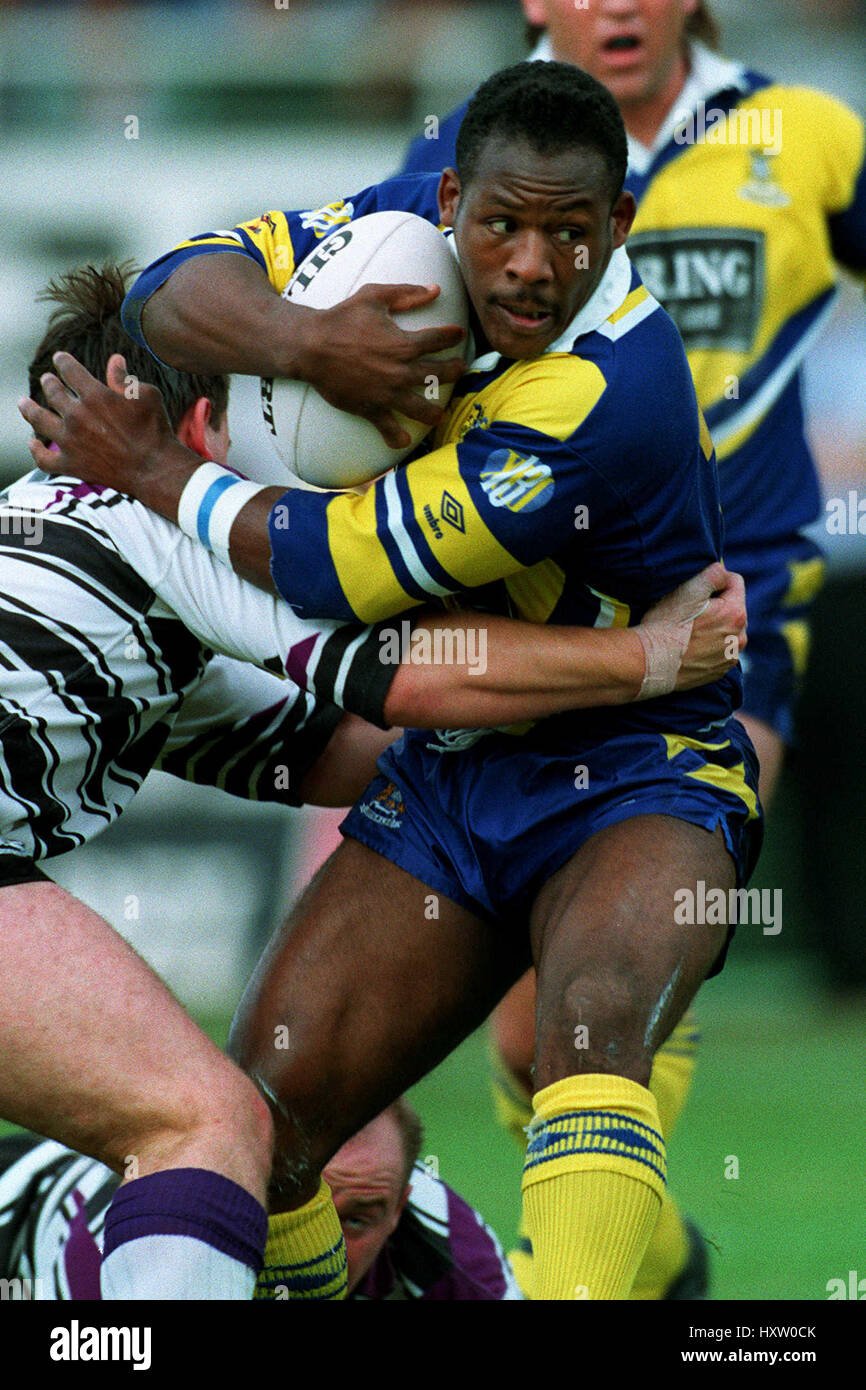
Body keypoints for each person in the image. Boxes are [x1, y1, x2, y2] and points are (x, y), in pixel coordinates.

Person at [25, 62, 762, 1301]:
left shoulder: (606, 392)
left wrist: (158, 473)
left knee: (585, 1021)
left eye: (570, 234)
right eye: (502, 226)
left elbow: (343, 571)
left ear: (617, 228)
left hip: (639, 769)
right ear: (448, 196)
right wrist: (309, 338)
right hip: (452, 773)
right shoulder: (400, 237)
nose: (530, 265)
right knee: (265, 1117)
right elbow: (169, 289)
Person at [398, 0, 866, 1295]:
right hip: (542, 636)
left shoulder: (804, 137)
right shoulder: (471, 146)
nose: (614, 4)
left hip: (731, 615)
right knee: (520, 1048)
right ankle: (660, 1271)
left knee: (614, 989)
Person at [0, 1099, 521, 1301]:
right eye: (291, 1208)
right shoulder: (123, 1251)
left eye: (358, 1221)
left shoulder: (441, 1239)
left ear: (400, 1209)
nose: (330, 1252)